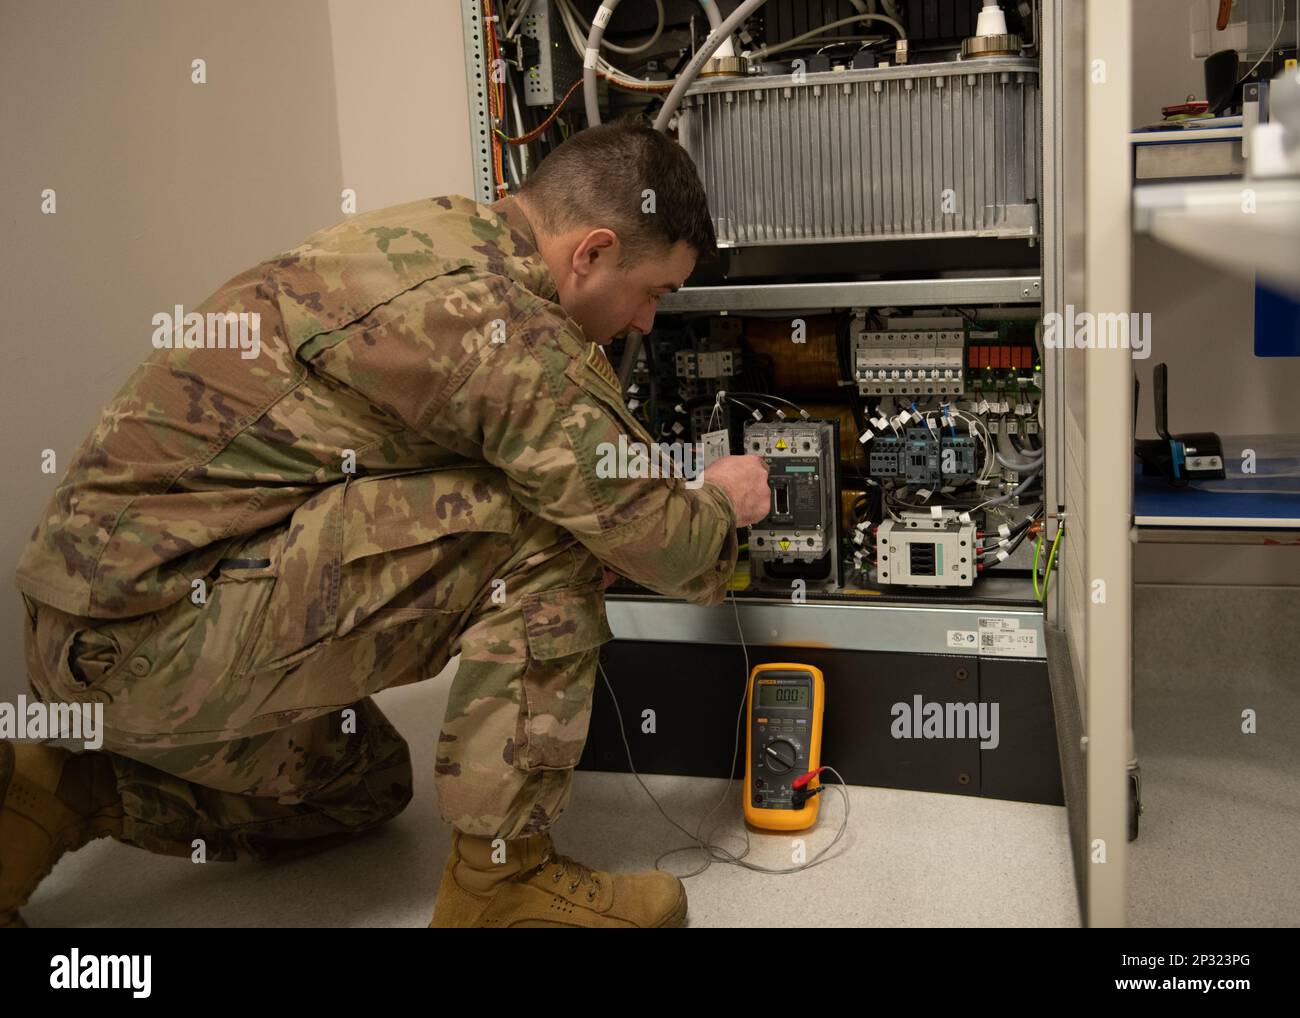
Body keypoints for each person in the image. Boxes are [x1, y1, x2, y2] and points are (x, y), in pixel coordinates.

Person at [1, 121, 772, 928]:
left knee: (363, 787)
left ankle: (60, 791)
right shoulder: (502, 325)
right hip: (153, 637)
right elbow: (664, 544)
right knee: (546, 529)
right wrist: (721, 501)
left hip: (87, 629)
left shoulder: (435, 235)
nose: (649, 322)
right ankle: (502, 889)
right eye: (652, 292)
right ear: (591, 251)